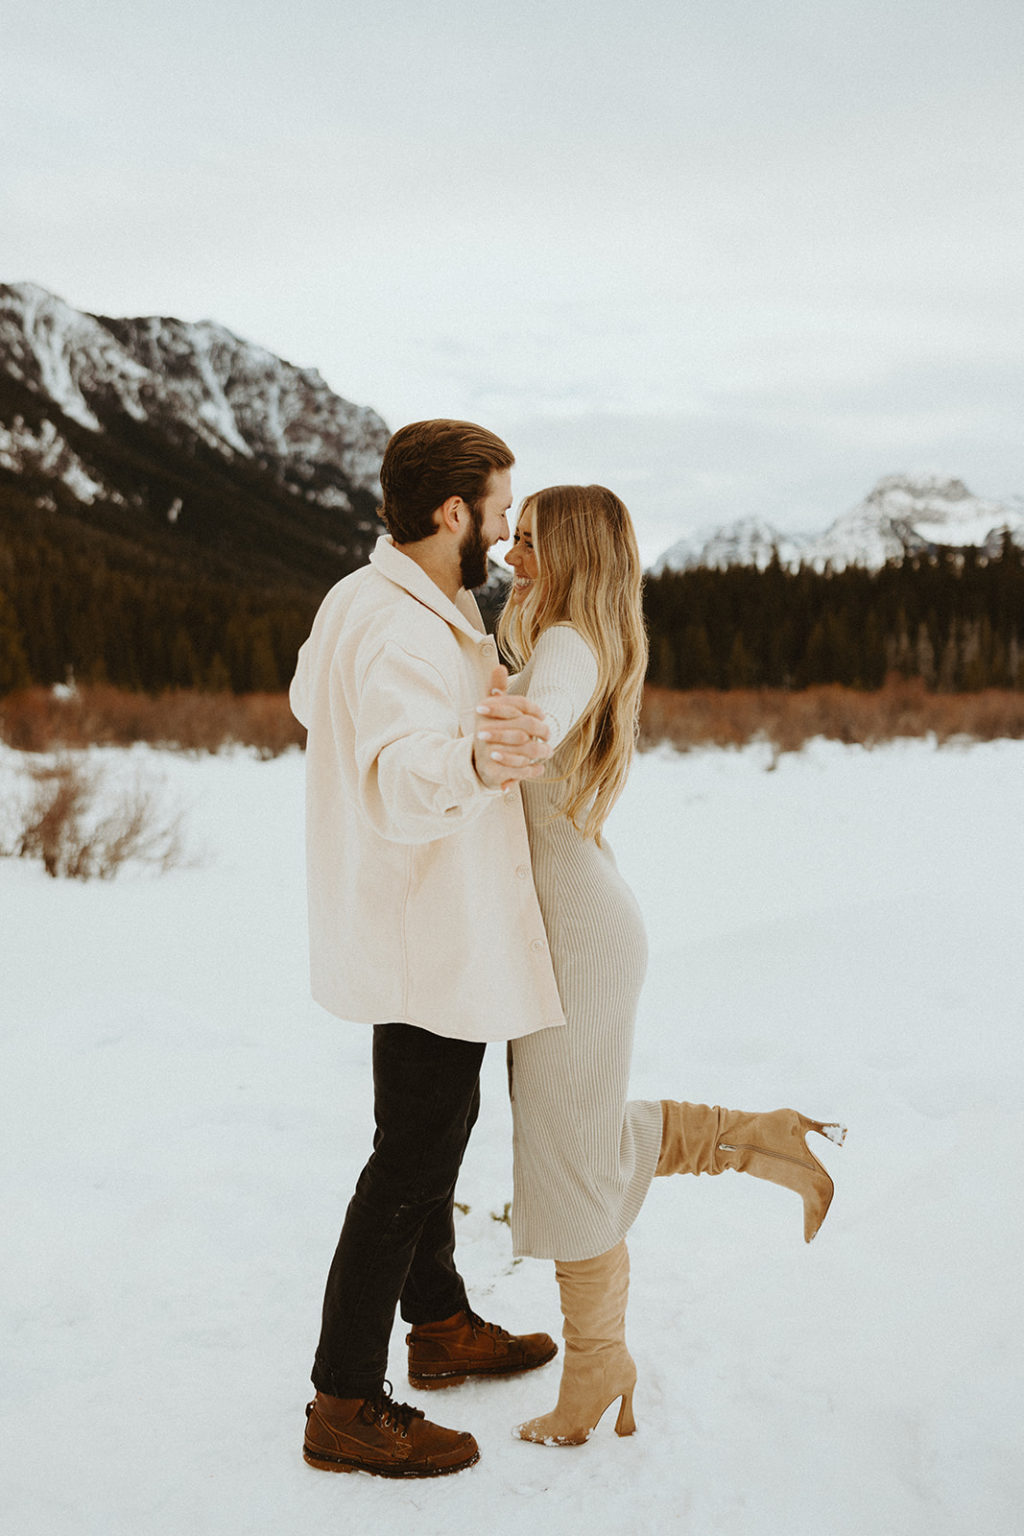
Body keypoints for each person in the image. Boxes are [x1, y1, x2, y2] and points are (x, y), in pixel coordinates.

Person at [488, 484, 845, 1447]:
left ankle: (597, 1364)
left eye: (530, 543)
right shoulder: (559, 633)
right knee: (575, 1137)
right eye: (512, 538)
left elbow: (535, 724)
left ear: (572, 554)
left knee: (568, 1157)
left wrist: (492, 734)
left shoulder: (567, 648)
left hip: (580, 939)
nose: (510, 556)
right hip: (577, 927)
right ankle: (755, 1136)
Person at [289, 420, 568, 1479]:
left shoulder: (372, 600)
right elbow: (407, 778)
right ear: (450, 512)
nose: (504, 529)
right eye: (498, 509)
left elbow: (307, 699)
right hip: (424, 930)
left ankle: (441, 1321)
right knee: (408, 1161)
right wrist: (475, 753)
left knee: (433, 1134)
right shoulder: (404, 629)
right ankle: (344, 1400)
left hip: (410, 925)